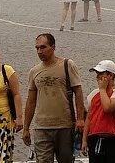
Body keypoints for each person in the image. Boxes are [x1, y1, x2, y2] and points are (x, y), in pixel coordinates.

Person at [23, 33, 84, 163]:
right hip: (41, 128)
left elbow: (78, 92)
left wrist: (80, 119)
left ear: (53, 47)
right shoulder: (34, 71)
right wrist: (26, 128)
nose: (39, 51)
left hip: (65, 126)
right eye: (37, 48)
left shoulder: (67, 65)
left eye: (43, 47)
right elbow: (31, 101)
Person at [82, 60, 115, 163]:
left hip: (113, 141)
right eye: (97, 74)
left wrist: (102, 90)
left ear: (111, 76)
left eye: (101, 74)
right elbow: (89, 118)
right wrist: (84, 140)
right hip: (95, 139)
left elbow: (108, 108)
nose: (97, 77)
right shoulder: (94, 94)